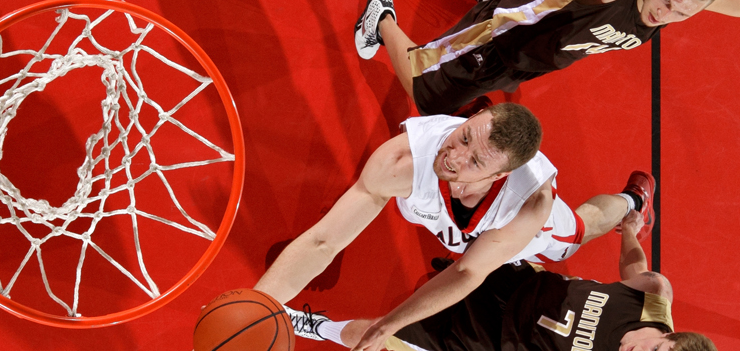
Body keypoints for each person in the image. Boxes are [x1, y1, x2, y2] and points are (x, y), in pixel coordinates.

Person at [254, 104, 656, 350]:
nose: (453, 157)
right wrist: (255, 307)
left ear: (504, 173)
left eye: (476, 161)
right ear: (472, 119)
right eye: (464, 137)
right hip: (465, 229)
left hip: (515, 236)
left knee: (578, 234)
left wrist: (390, 323)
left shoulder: (531, 203)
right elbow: (323, 241)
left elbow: (469, 271)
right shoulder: (403, 162)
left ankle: (633, 201)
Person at [283, 210, 717, 351]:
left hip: (492, 338)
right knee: (484, 211)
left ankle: (313, 326)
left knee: (389, 343)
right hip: (511, 280)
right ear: (670, 335)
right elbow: (634, 270)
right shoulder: (654, 296)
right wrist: (628, 230)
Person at [353, 0, 739, 115]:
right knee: (428, 96)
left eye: (682, 14)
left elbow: (728, 0)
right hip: (498, 40)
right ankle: (381, 18)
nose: (666, 14)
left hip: (535, 55)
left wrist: (681, 5)